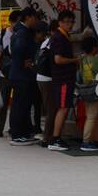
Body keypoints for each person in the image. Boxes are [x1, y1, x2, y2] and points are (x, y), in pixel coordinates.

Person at [41, 11, 81, 151]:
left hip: (65, 77)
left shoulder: (64, 36)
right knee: (62, 108)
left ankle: (57, 137)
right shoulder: (59, 37)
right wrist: (74, 60)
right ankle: (55, 139)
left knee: (63, 107)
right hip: (62, 78)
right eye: (67, 21)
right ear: (60, 22)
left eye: (71, 22)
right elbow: (57, 59)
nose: (69, 24)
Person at [7, 9, 40, 146]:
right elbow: (18, 49)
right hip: (21, 75)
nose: (36, 21)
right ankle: (18, 134)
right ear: (28, 17)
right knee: (20, 105)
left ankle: (24, 133)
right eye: (35, 18)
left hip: (19, 73)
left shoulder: (19, 30)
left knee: (23, 104)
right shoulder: (22, 32)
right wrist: (25, 61)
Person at [0, 10, 18, 138]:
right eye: (17, 21)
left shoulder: (22, 34)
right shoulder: (3, 34)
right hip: (3, 74)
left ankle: (14, 127)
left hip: (17, 73)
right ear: (11, 21)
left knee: (17, 103)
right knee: (3, 103)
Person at [77, 35, 98, 152]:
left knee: (89, 115)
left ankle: (90, 140)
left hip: (85, 90)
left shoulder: (83, 60)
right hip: (96, 90)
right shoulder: (97, 60)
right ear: (94, 48)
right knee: (92, 117)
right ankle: (86, 142)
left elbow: (79, 74)